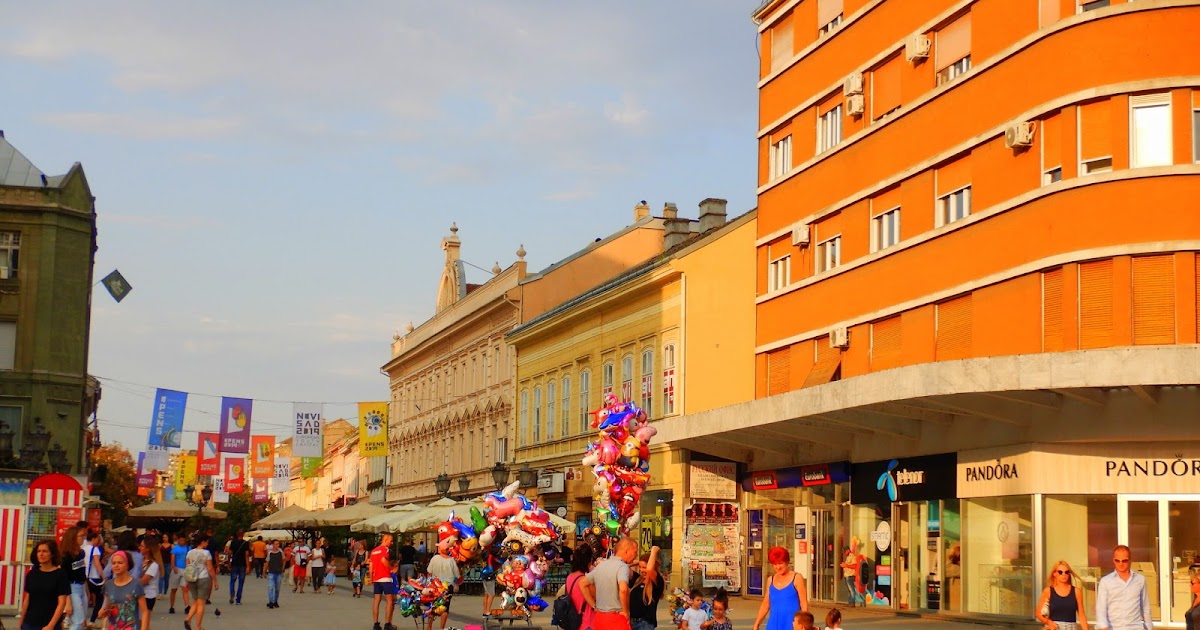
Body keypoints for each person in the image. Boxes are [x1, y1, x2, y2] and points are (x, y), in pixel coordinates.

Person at [586, 536, 639, 630]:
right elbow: (623, 589)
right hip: (616, 617)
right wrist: (625, 611)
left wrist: (593, 605)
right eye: (635, 551)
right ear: (627, 551)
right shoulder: (622, 567)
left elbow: (583, 584)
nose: (636, 555)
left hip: (600, 617)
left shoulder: (602, 565)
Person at [752, 547, 809, 630]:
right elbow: (765, 604)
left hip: (792, 624)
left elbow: (804, 603)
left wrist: (804, 624)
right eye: (775, 564)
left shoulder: (797, 578)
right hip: (773, 624)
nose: (778, 567)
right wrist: (757, 624)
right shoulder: (770, 580)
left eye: (780, 563)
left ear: (787, 562)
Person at [1096, 545, 1151, 630]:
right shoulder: (1105, 582)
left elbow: (1145, 607)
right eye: (1117, 560)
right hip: (1113, 628)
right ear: (1113, 560)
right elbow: (1101, 609)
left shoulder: (1140, 580)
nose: (1120, 564)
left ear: (1130, 560)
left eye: (1124, 561)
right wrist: (1104, 627)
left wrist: (1149, 627)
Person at [21, 539, 70, 630]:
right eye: (39, 551)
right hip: (30, 622)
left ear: (52, 554)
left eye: (45, 551)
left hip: (49, 623)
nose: (41, 554)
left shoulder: (60, 574)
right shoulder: (32, 574)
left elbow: (61, 603)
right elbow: (27, 600)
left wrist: (51, 625)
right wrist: (21, 622)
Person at [98, 550, 149, 630]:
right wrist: (102, 613)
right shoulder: (108, 585)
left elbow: (145, 611)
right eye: (114, 563)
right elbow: (105, 607)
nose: (116, 565)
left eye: (120, 563)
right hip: (113, 627)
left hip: (131, 627)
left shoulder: (136, 584)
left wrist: (143, 628)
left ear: (127, 565)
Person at [1036, 560, 1088, 630]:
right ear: (1054, 574)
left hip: (1071, 627)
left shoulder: (1076, 591)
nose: (1064, 574)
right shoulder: (1048, 591)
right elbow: (1038, 613)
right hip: (1054, 628)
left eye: (1066, 572)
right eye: (1060, 572)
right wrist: (1049, 622)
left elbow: (1081, 615)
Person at [184, 534, 219, 630]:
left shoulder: (190, 553)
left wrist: (186, 581)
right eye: (206, 541)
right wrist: (215, 580)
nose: (207, 543)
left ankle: (188, 618)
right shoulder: (206, 553)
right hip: (203, 578)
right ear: (202, 542)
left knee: (195, 601)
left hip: (192, 579)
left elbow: (187, 567)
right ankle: (198, 626)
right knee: (201, 603)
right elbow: (210, 568)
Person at [425, 541, 461, 630]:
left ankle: (429, 627)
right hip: (448, 587)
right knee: (445, 608)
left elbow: (429, 572)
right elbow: (457, 575)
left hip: (435, 587)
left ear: (440, 549)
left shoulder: (435, 558)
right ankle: (441, 628)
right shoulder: (451, 560)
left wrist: (428, 584)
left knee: (433, 607)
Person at [629, 547, 664, 630]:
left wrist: (654, 551)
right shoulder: (638, 579)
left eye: (643, 567)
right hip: (632, 622)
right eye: (640, 567)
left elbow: (649, 569)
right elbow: (623, 567)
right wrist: (638, 562)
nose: (641, 570)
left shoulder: (656, 582)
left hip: (645, 624)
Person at [61, 526, 88, 630]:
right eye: (81, 536)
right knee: (78, 621)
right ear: (73, 537)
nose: (83, 539)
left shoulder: (81, 553)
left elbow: (82, 572)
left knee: (83, 620)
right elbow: (64, 579)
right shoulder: (66, 557)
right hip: (72, 588)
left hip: (82, 586)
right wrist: (67, 602)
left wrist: (87, 591)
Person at [371, 533, 397, 630]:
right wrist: (391, 568)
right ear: (385, 540)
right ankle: (387, 624)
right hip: (385, 577)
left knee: (376, 601)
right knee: (389, 601)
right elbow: (383, 560)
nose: (392, 543)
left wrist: (371, 577)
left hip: (376, 578)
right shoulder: (385, 549)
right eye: (391, 541)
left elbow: (371, 564)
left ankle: (376, 624)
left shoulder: (374, 551)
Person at [85, 529, 108, 625]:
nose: (98, 541)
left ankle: (83, 619)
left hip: (85, 577)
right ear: (93, 538)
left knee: (86, 598)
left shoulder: (83, 548)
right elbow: (97, 564)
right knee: (100, 598)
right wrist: (103, 576)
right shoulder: (95, 549)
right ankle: (92, 620)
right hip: (95, 578)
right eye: (97, 539)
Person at [138, 537, 163, 613]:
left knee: (144, 620)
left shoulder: (154, 565)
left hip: (148, 595)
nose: (139, 547)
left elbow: (144, 581)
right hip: (140, 593)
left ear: (148, 548)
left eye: (142, 546)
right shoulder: (141, 560)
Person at [168, 533, 191, 614]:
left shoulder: (188, 548)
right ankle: (172, 606)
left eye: (183, 540)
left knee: (185, 588)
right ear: (178, 540)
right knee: (174, 589)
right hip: (177, 569)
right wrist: (174, 567)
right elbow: (172, 559)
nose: (182, 542)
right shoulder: (175, 549)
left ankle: (187, 606)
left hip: (185, 569)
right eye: (181, 540)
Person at [227, 530, 251, 605]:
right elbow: (246, 555)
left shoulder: (233, 542)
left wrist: (228, 562)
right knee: (241, 582)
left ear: (237, 535)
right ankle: (238, 600)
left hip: (234, 563)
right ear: (243, 535)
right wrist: (248, 566)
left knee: (232, 580)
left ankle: (232, 593)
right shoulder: (245, 543)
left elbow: (229, 553)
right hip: (242, 564)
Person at [481, 546, 502, 616]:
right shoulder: (491, 556)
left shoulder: (487, 555)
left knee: (486, 593)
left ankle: (485, 610)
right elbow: (491, 567)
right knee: (491, 594)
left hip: (485, 575)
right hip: (489, 575)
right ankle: (487, 610)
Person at [266, 540, 285, 609]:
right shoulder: (270, 553)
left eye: (278, 544)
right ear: (273, 545)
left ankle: (275, 601)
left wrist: (282, 568)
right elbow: (267, 562)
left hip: (279, 572)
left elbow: (284, 560)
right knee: (270, 587)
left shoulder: (281, 552)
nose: (277, 545)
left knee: (277, 588)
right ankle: (271, 601)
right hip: (271, 572)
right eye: (276, 544)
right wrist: (264, 571)